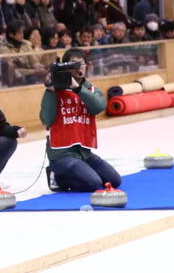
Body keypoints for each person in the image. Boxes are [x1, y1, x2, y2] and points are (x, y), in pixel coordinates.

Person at [40, 48, 120, 193]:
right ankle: (57, 176)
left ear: (86, 66)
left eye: (81, 64)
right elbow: (46, 119)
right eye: (73, 64)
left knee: (114, 180)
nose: (78, 68)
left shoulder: (90, 89)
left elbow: (98, 107)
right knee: (94, 183)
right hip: (62, 154)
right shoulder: (55, 91)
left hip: (84, 153)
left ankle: (78, 172)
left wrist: (77, 88)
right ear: (65, 67)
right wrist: (51, 91)